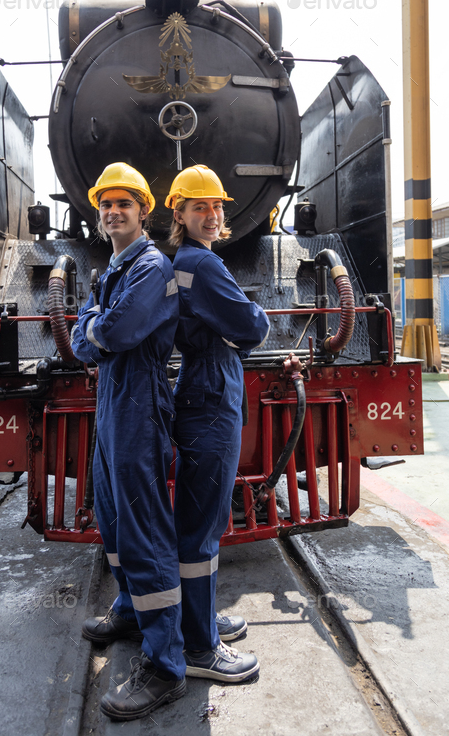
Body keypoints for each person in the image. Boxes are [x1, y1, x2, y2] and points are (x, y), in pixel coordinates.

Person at [72, 162, 186, 721]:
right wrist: (94, 328)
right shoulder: (111, 271)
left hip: (139, 406)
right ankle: (130, 609)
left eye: (124, 203)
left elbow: (111, 333)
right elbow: (83, 338)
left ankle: (166, 664)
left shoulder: (151, 269)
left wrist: (94, 327)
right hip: (112, 406)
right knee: (114, 520)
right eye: (106, 204)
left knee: (144, 531)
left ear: (144, 211)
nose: (113, 211)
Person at [165, 165, 270, 682]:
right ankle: (200, 647)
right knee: (202, 526)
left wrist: (235, 331)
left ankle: (200, 620)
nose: (212, 215)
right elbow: (251, 324)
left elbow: (233, 327)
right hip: (210, 396)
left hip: (203, 387)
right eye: (199, 207)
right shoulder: (202, 265)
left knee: (199, 521)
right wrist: (249, 324)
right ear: (179, 214)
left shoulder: (187, 261)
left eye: (216, 206)